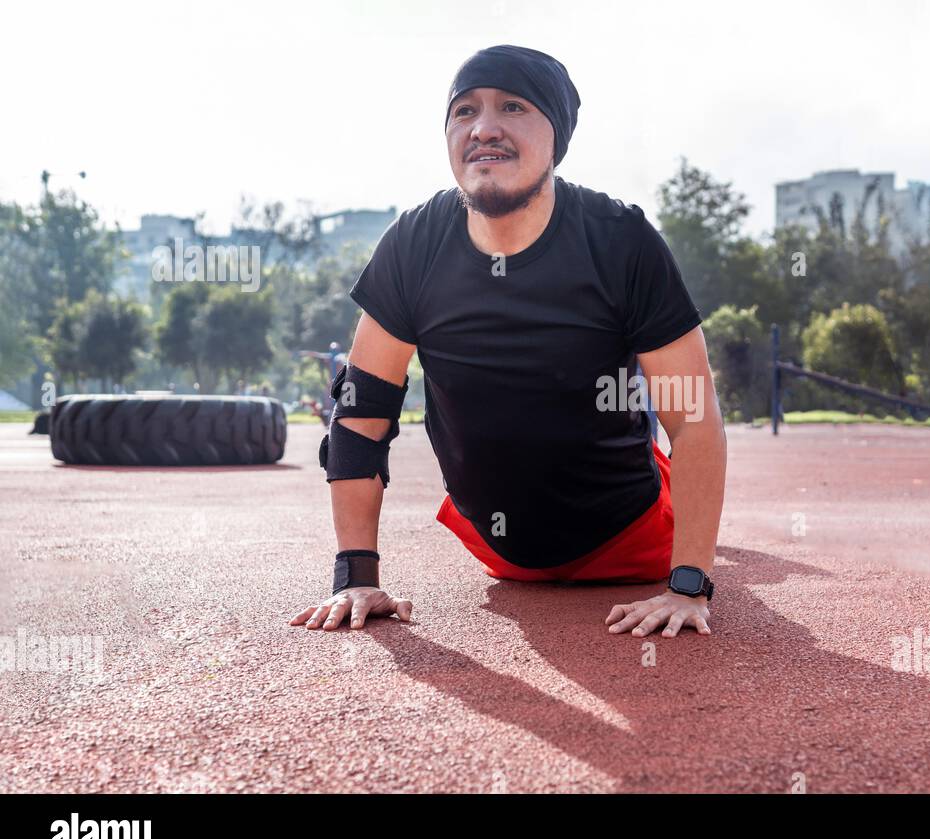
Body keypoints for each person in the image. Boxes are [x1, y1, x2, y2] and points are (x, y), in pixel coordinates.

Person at [290, 45, 726, 639]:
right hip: (499, 554)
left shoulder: (622, 241)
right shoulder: (413, 243)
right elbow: (361, 413)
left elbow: (695, 420)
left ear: (556, 137)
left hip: (634, 541)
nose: (484, 127)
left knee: (678, 495)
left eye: (513, 106)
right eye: (464, 111)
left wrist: (689, 584)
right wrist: (355, 575)